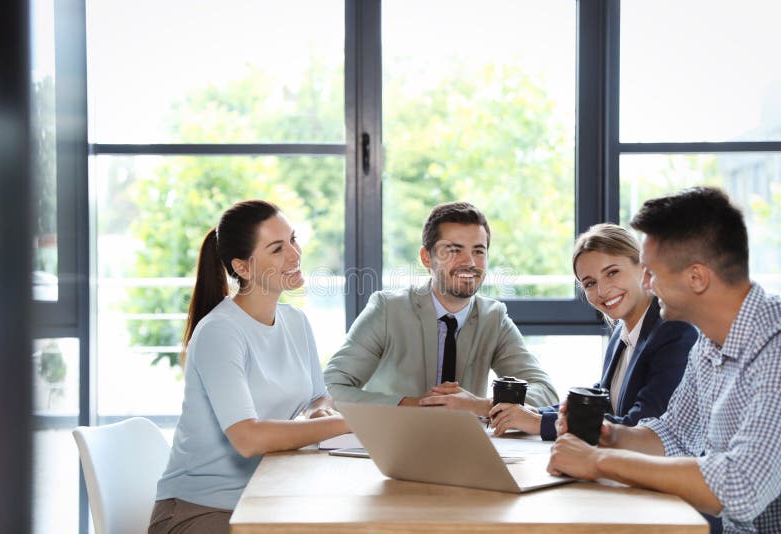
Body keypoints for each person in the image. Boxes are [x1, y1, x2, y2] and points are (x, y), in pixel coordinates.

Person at [547, 187, 781, 533]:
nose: (645, 283)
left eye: (651, 272)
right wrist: (607, 435)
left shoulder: (774, 345)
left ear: (696, 277)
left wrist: (599, 461)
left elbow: (739, 487)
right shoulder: (709, 345)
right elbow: (673, 435)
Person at [149, 200, 349, 534]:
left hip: (265, 499)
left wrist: (320, 411)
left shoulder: (296, 321)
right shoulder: (220, 332)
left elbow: (318, 396)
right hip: (201, 511)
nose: (295, 255)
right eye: (277, 249)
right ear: (242, 267)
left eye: (293, 240)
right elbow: (247, 437)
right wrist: (343, 426)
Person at [323, 201, 559, 415]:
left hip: (466, 447)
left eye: (478, 251)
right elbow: (331, 388)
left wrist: (478, 405)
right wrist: (411, 405)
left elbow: (545, 392)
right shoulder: (388, 310)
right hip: (395, 442)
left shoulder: (493, 318)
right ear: (427, 258)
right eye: (454, 250)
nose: (470, 262)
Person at [489, 223, 697, 439]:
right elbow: (603, 403)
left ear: (643, 267)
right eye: (590, 283)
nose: (603, 291)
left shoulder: (675, 332)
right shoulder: (622, 333)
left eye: (612, 272)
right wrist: (537, 412)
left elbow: (643, 425)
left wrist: (540, 422)